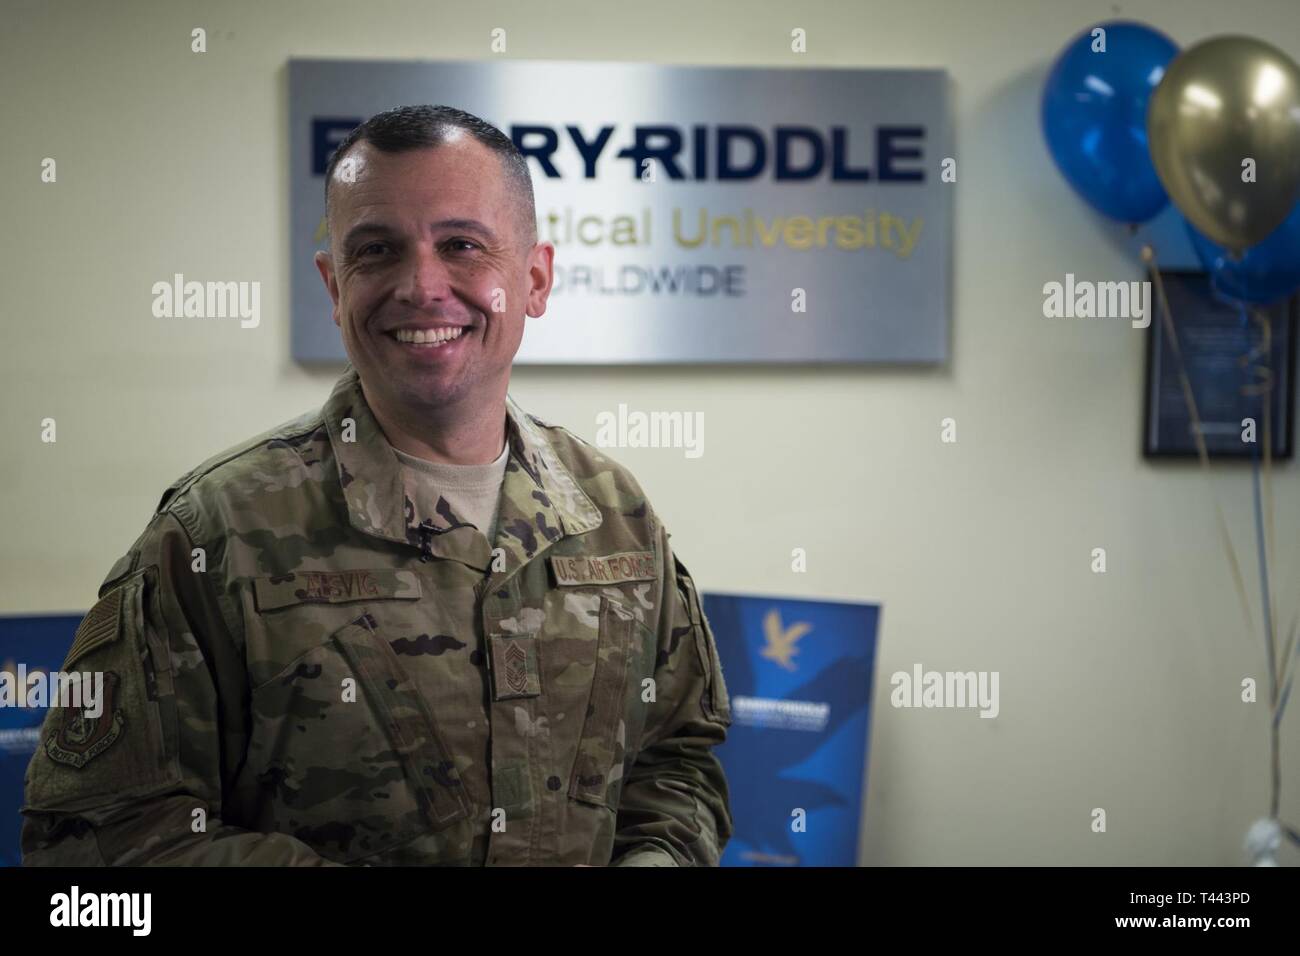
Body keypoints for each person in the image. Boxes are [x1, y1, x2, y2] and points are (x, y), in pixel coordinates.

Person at [21, 105, 733, 866]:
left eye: (461, 245)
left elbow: (676, 764)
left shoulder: (612, 514)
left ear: (534, 277)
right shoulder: (216, 532)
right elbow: (93, 841)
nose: (422, 286)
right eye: (377, 251)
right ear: (335, 285)